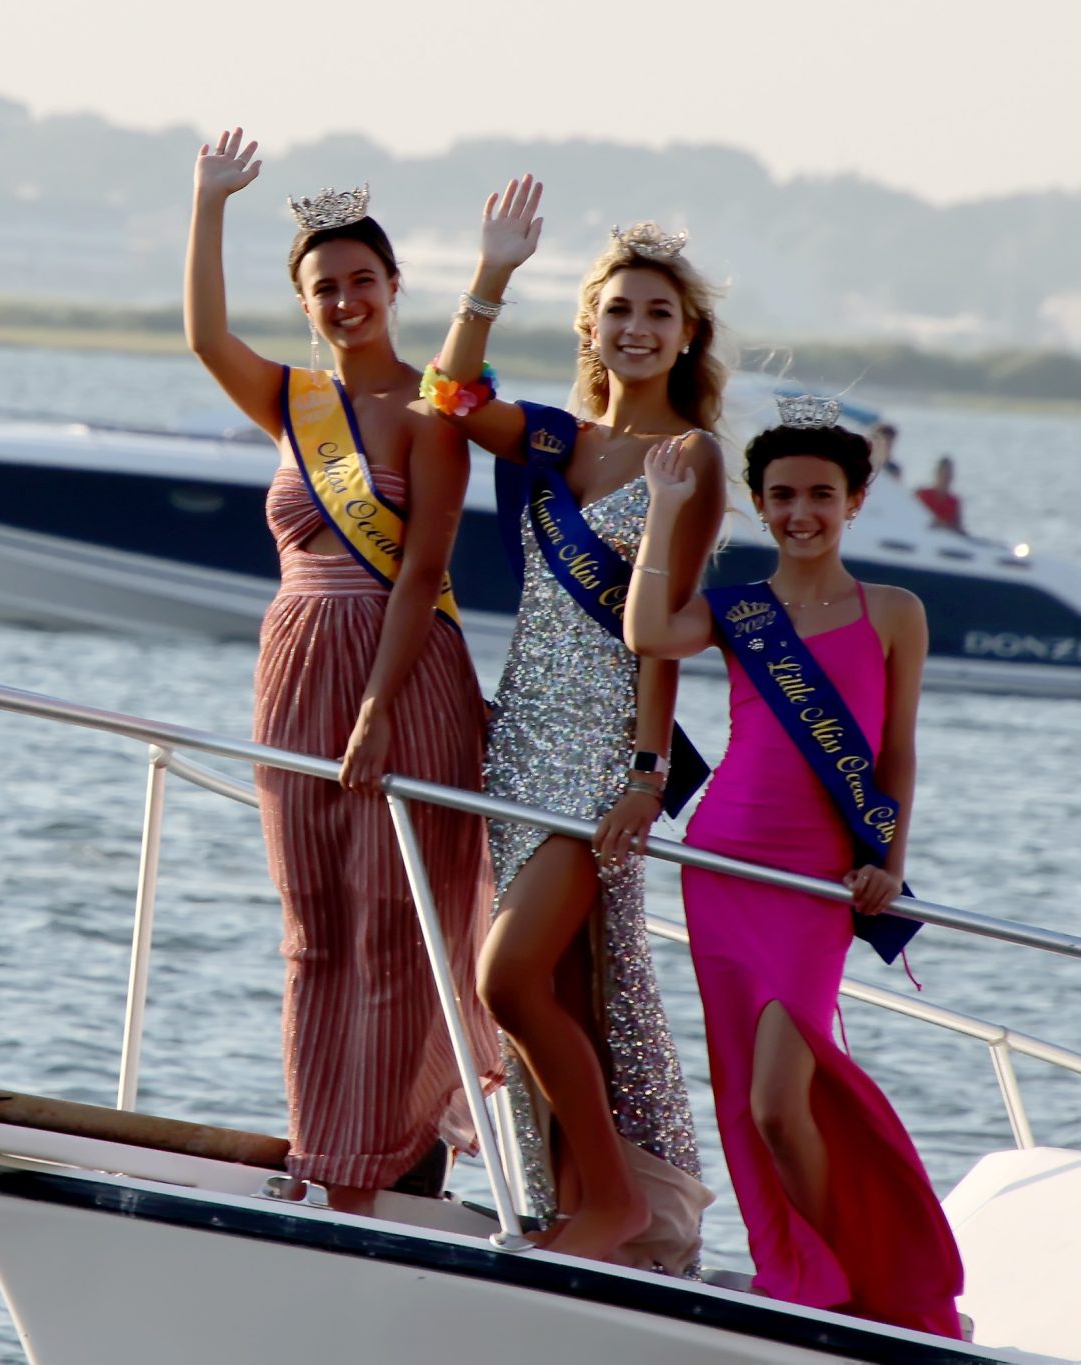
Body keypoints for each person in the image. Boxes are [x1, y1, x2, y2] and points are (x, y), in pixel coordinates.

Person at [182, 128, 498, 1215]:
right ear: (306, 302)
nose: (345, 300)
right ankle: (324, 1145)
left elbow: (423, 574)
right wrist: (210, 202)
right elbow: (203, 334)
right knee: (312, 923)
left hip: (402, 675)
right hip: (294, 663)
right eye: (325, 287)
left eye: (362, 280)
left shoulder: (432, 413)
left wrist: (373, 710)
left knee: (392, 919)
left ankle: (395, 1154)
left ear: (395, 287)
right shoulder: (289, 401)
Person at [424, 175, 723, 1267]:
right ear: (588, 326)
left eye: (659, 312)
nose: (637, 328)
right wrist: (492, 273)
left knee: (506, 978)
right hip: (518, 744)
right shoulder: (554, 443)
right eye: (618, 309)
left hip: (599, 751)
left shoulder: (688, 458)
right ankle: (568, 1199)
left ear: (686, 335)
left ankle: (618, 1200)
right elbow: (451, 398)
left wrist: (644, 772)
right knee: (548, 984)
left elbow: (661, 635)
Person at [624, 403, 965, 1336]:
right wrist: (664, 508)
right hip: (723, 862)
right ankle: (810, 1278)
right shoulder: (738, 610)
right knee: (746, 1094)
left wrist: (887, 862)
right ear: (761, 504)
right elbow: (648, 632)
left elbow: (897, 754)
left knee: (782, 1102)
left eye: (820, 494)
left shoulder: (894, 611)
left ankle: (857, 1281)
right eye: (781, 496)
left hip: (817, 883)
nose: (800, 512)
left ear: (855, 501)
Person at [916, 454, 966, 532]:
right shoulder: (922, 495)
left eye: (949, 475)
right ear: (937, 474)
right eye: (944, 474)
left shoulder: (954, 502)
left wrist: (943, 525)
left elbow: (958, 530)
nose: (946, 478)